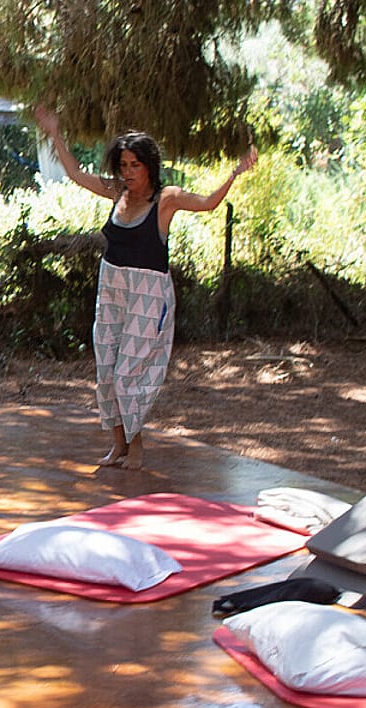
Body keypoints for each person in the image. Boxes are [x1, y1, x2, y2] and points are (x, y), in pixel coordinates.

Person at [34, 105, 257, 470]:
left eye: (134, 165)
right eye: (123, 166)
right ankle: (118, 445)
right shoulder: (117, 193)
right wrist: (56, 133)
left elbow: (208, 204)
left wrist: (235, 172)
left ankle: (136, 446)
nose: (128, 172)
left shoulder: (165, 199)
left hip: (148, 293)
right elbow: (74, 173)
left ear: (149, 166)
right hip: (112, 287)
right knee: (106, 371)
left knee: (127, 374)